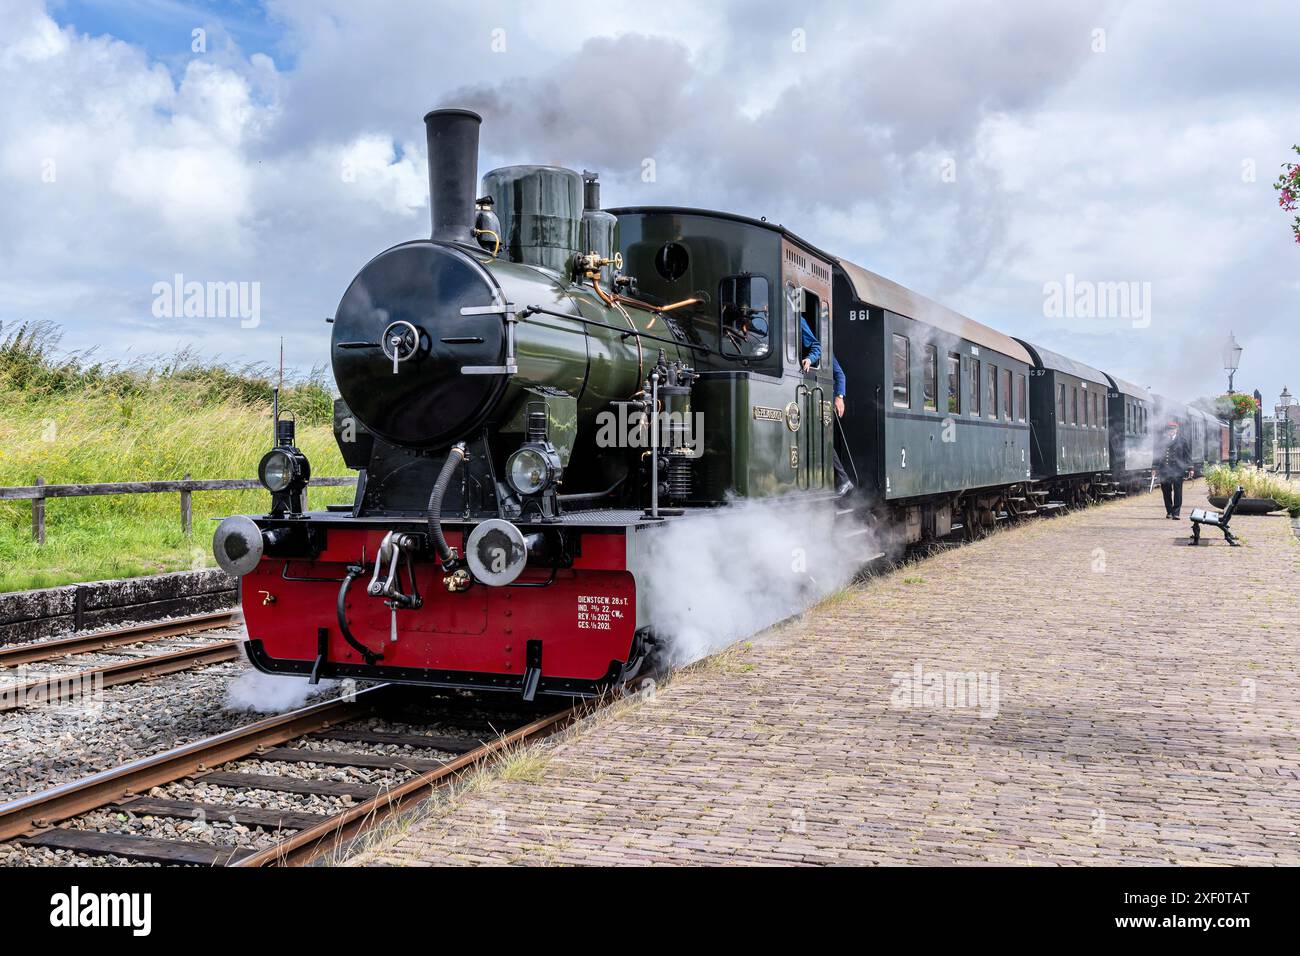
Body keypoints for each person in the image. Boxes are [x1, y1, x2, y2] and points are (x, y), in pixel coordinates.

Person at [799, 317, 853, 497]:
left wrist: (839, 397)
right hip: (805, 397)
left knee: (823, 440)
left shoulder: (824, 352)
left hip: (817, 400)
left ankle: (843, 478)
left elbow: (840, 375)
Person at [1157, 419, 1194, 519]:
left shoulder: (1182, 440)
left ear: (1177, 430)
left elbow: (1187, 455)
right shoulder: (1161, 441)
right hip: (1164, 470)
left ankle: (1176, 512)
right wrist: (1154, 468)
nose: (1171, 430)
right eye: (1169, 429)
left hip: (1178, 470)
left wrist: (1190, 468)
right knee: (1166, 491)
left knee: (1178, 492)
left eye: (1173, 429)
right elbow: (1156, 455)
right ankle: (1169, 511)